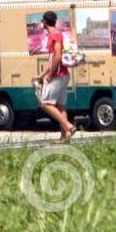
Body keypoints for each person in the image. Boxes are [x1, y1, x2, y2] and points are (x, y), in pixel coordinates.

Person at [33, 10, 76, 142]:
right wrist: (42, 75)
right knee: (60, 106)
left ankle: (68, 126)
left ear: (45, 22)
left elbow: (57, 56)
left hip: (58, 76)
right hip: (63, 75)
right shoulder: (57, 34)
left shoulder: (55, 36)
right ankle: (64, 137)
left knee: (45, 103)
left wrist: (50, 75)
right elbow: (52, 59)